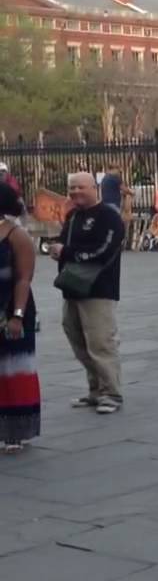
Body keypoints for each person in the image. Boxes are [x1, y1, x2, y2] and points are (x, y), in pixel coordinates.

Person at [50, 172, 125, 415]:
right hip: (73, 286)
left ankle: (112, 393)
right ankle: (95, 390)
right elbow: (64, 244)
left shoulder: (109, 216)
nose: (75, 192)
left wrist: (67, 252)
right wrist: (57, 249)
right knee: (77, 340)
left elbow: (104, 250)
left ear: (95, 187)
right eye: (71, 188)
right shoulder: (73, 216)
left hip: (98, 288)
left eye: (81, 187)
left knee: (101, 342)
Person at [0, 184, 39, 452]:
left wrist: (17, 315)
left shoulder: (16, 235)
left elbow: (24, 279)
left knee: (13, 370)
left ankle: (15, 431)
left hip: (12, 307)